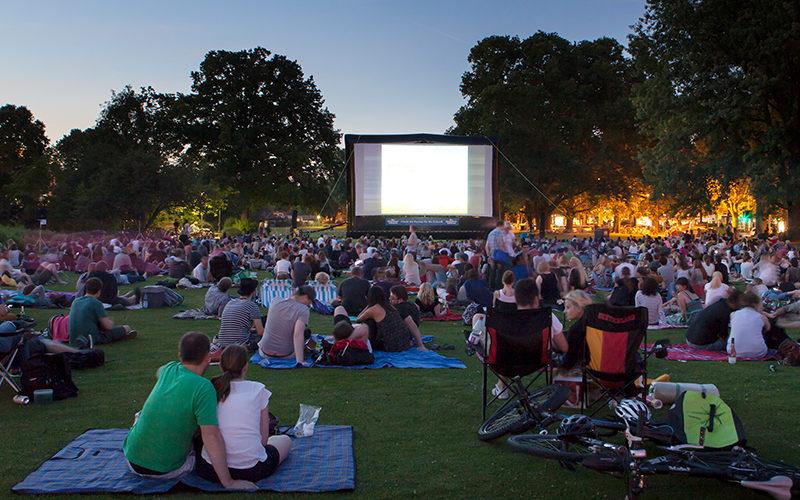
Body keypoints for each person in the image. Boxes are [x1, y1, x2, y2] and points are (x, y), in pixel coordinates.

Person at [123, 332, 257, 491]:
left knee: (141, 415)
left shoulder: (170, 369)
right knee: (203, 445)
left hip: (131, 459)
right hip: (165, 470)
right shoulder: (203, 388)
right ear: (208, 357)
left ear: (180, 355)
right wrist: (229, 482)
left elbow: (160, 371)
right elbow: (211, 437)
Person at [195, 345, 292, 483]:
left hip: (210, 469)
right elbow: (263, 441)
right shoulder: (258, 390)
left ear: (221, 366)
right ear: (245, 366)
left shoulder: (211, 389)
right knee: (285, 440)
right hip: (251, 469)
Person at [339, 286, 412, 352]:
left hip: (392, 346)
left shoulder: (374, 309)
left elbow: (358, 319)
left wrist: (369, 305)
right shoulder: (390, 306)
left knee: (368, 322)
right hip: (404, 342)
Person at [68, 277, 136, 347]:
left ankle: (121, 335)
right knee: (126, 328)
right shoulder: (96, 303)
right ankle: (123, 334)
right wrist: (111, 322)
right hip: (92, 338)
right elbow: (108, 327)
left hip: (74, 338)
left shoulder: (75, 301)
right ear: (99, 291)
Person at [258, 285, 315, 365]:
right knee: (306, 336)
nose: (310, 304)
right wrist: (300, 361)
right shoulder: (303, 310)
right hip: (286, 355)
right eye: (310, 301)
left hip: (264, 352)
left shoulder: (275, 300)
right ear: (306, 297)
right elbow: (297, 335)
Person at [212, 278, 263, 352]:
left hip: (223, 342)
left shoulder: (230, 303)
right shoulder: (252, 306)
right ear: (254, 291)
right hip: (240, 345)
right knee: (262, 337)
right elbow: (260, 332)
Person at [728, 291, 770, 359]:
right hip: (758, 352)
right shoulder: (761, 317)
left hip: (732, 351)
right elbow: (768, 329)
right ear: (756, 304)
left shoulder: (733, 314)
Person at [389, 285, 427, 350]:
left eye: (392, 298)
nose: (389, 299)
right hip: (410, 336)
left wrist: (420, 345)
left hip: (404, 338)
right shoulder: (412, 304)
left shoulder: (399, 309)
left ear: (400, 299)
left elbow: (412, 325)